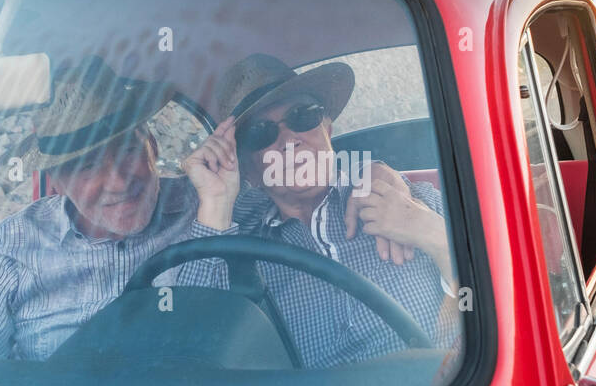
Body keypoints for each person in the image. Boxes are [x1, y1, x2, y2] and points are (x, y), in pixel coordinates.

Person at [178, 52, 459, 368]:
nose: (288, 140)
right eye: (261, 133)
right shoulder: (231, 243)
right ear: (247, 168)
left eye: (303, 115)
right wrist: (215, 202)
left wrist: (435, 236)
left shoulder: (409, 200)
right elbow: (188, 356)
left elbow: (501, 306)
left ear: (327, 127)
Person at [0, 62, 195, 360]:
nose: (118, 182)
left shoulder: (205, 203)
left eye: (128, 150)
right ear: (58, 181)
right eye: (87, 166)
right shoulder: (15, 243)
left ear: (152, 146)